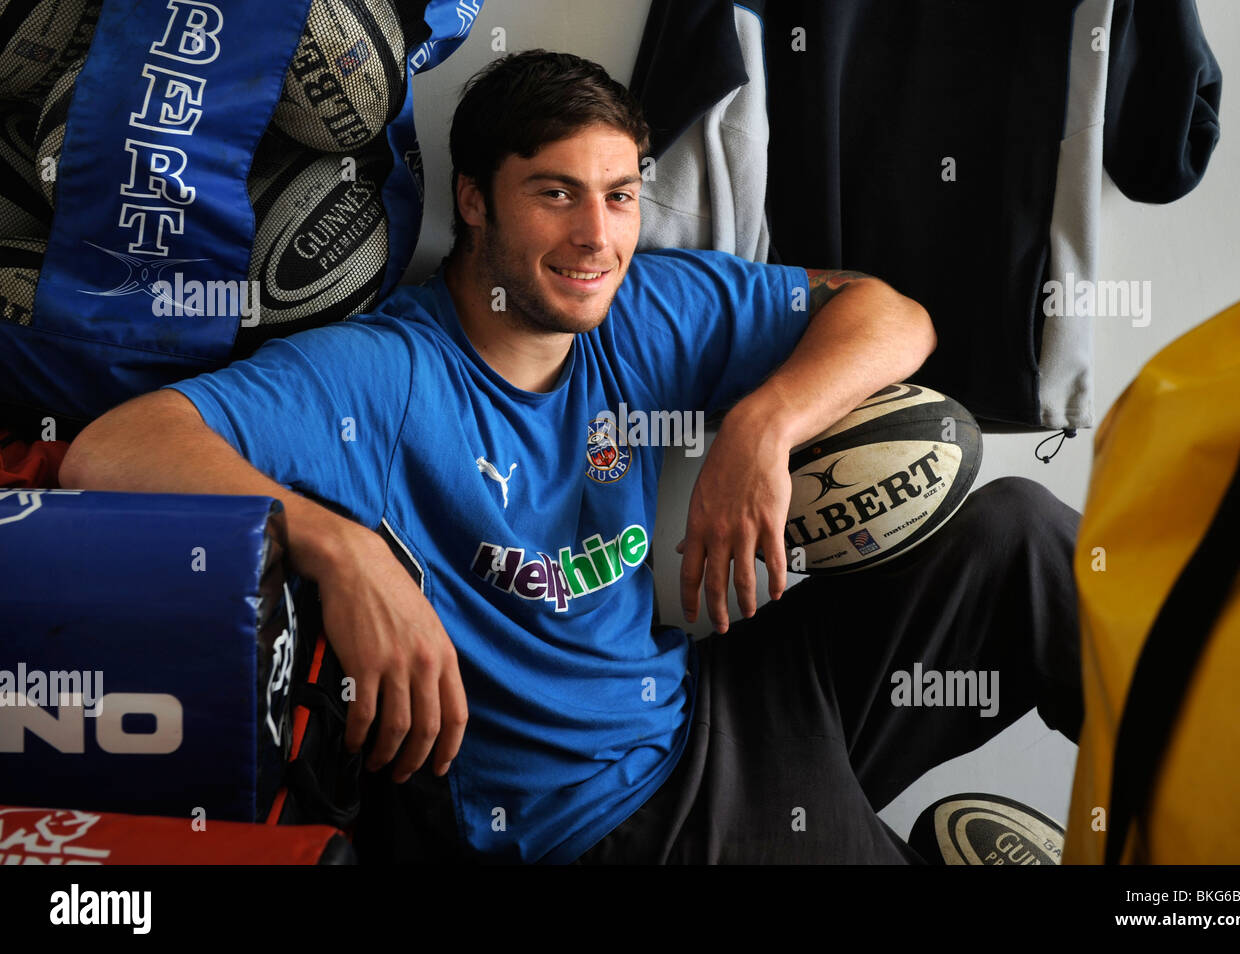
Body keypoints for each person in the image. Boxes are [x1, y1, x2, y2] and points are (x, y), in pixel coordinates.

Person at [60, 49, 1082, 864]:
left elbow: (891, 316)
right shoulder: (383, 374)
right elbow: (110, 451)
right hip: (606, 810)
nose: (597, 236)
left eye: (620, 194)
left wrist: (760, 424)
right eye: (555, 194)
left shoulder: (645, 305)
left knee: (1021, 536)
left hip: (724, 682)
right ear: (474, 202)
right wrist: (340, 549)